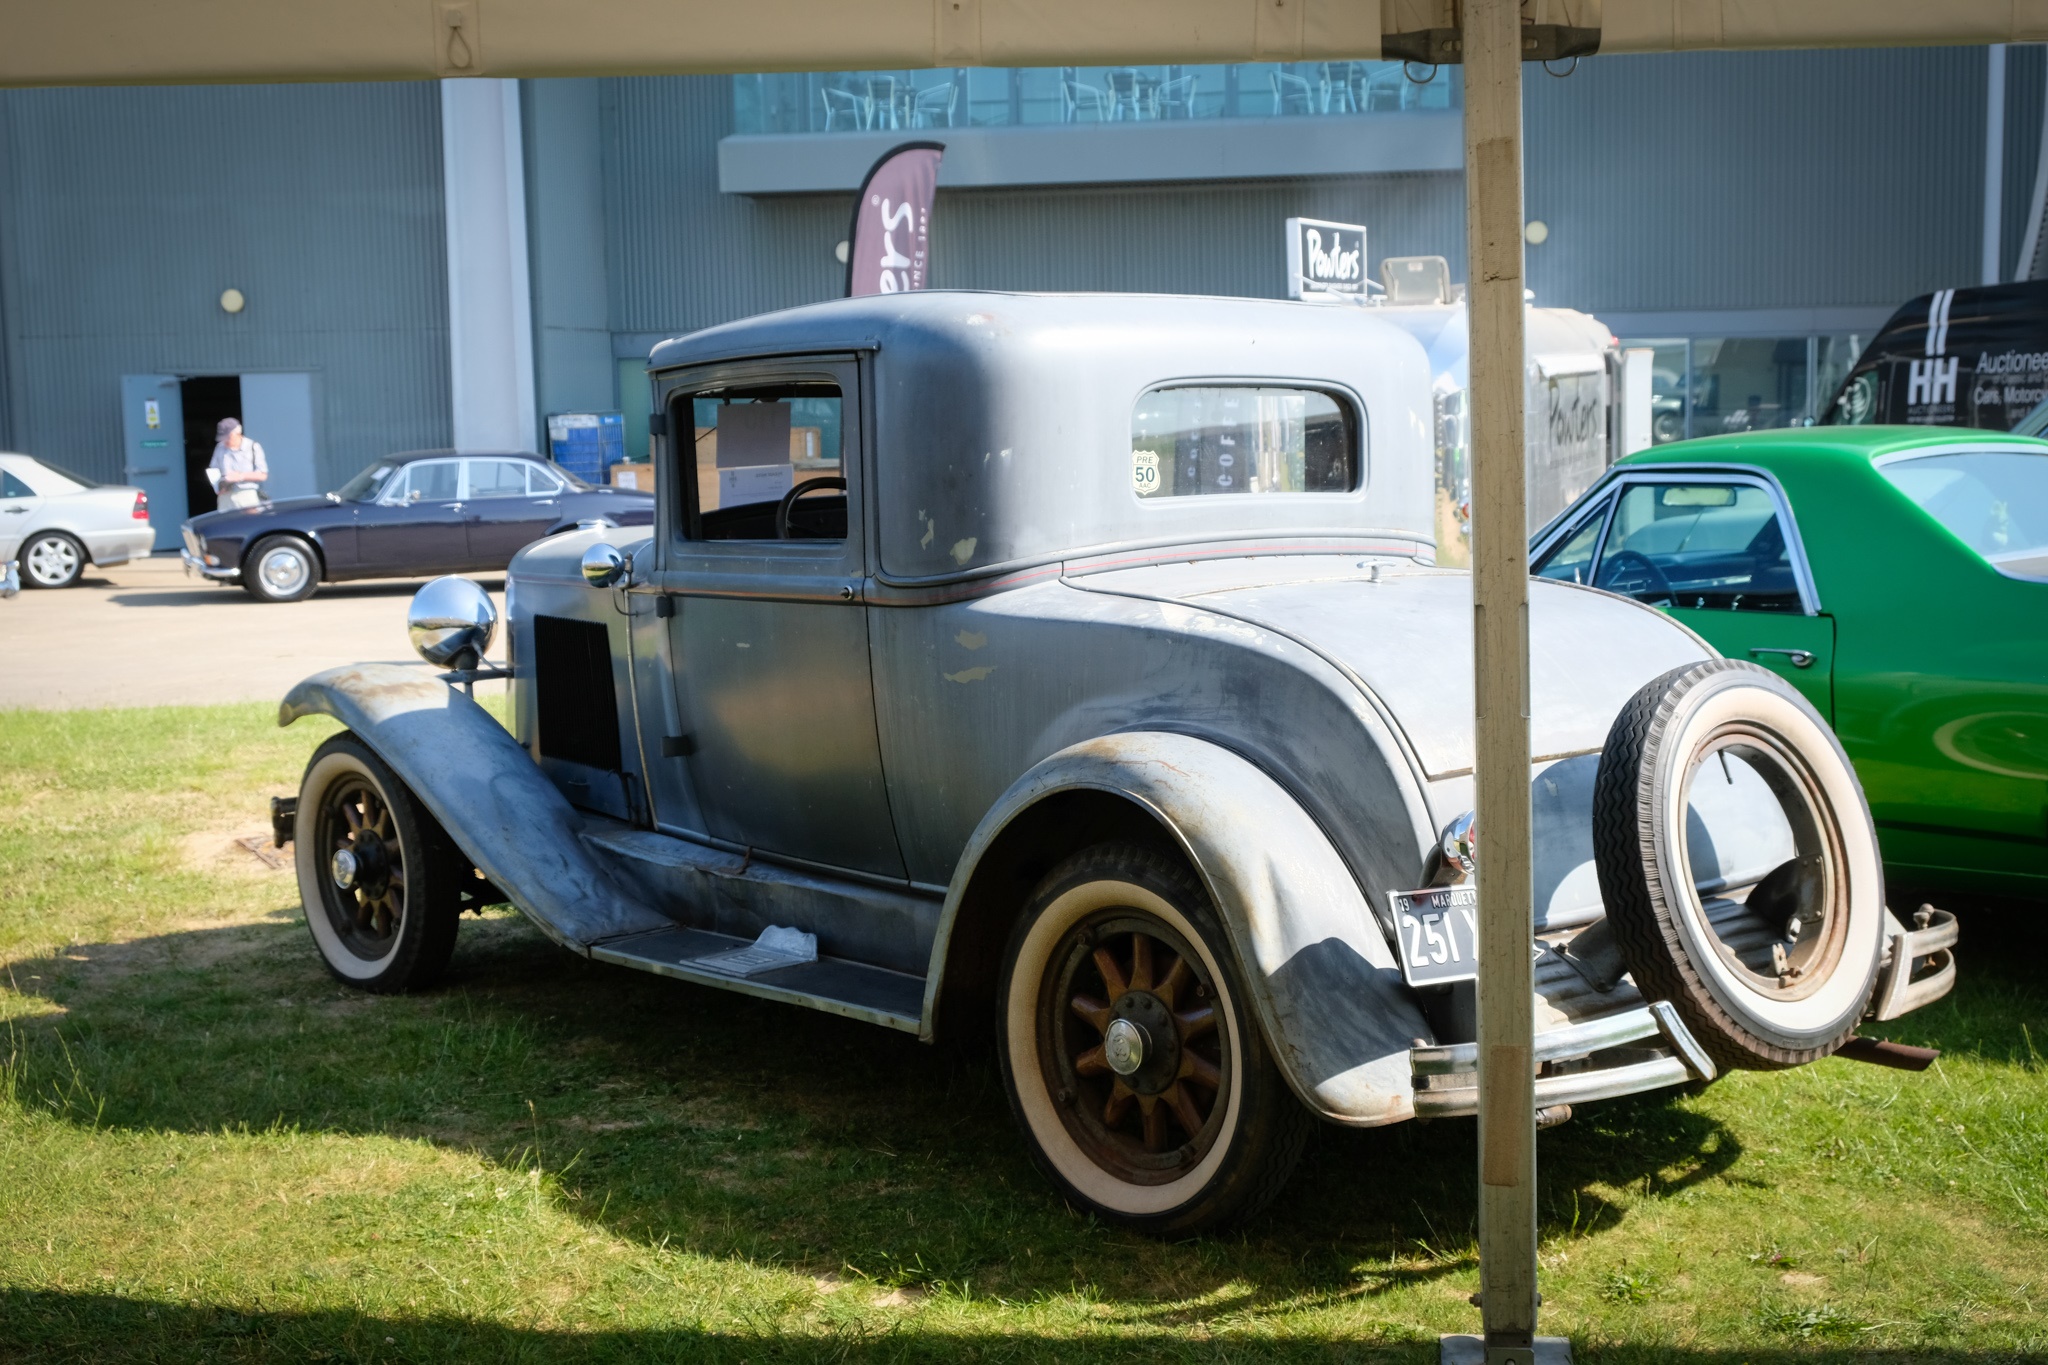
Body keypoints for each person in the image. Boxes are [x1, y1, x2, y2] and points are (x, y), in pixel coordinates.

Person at [208, 417, 268, 511]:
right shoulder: (219, 447)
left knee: (250, 520)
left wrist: (240, 476)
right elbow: (213, 470)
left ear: (237, 432)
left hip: (247, 495)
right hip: (225, 497)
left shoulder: (253, 446)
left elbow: (263, 475)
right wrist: (219, 485)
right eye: (223, 438)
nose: (225, 441)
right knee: (225, 520)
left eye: (228, 437)